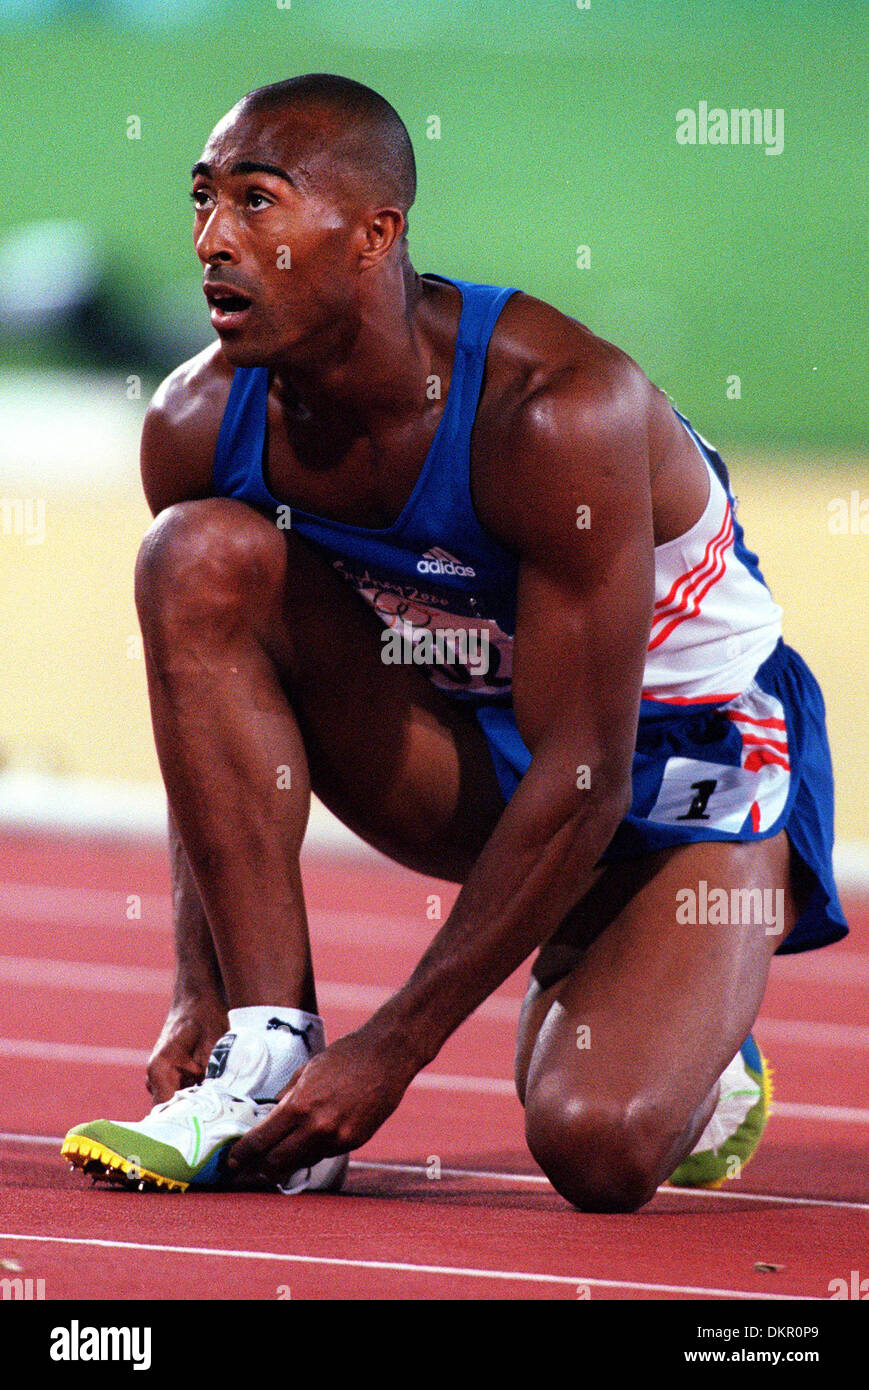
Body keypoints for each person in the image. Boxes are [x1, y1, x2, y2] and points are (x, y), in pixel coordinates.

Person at [62, 74, 846, 1211]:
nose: (211, 241)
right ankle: (267, 1055)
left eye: (256, 202)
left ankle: (669, 998)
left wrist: (390, 1052)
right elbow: (208, 711)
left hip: (672, 769)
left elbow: (586, 777)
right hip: (476, 751)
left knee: (599, 1145)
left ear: (374, 234)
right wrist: (203, 986)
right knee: (191, 558)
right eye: (201, 202)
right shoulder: (197, 422)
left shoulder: (556, 411)